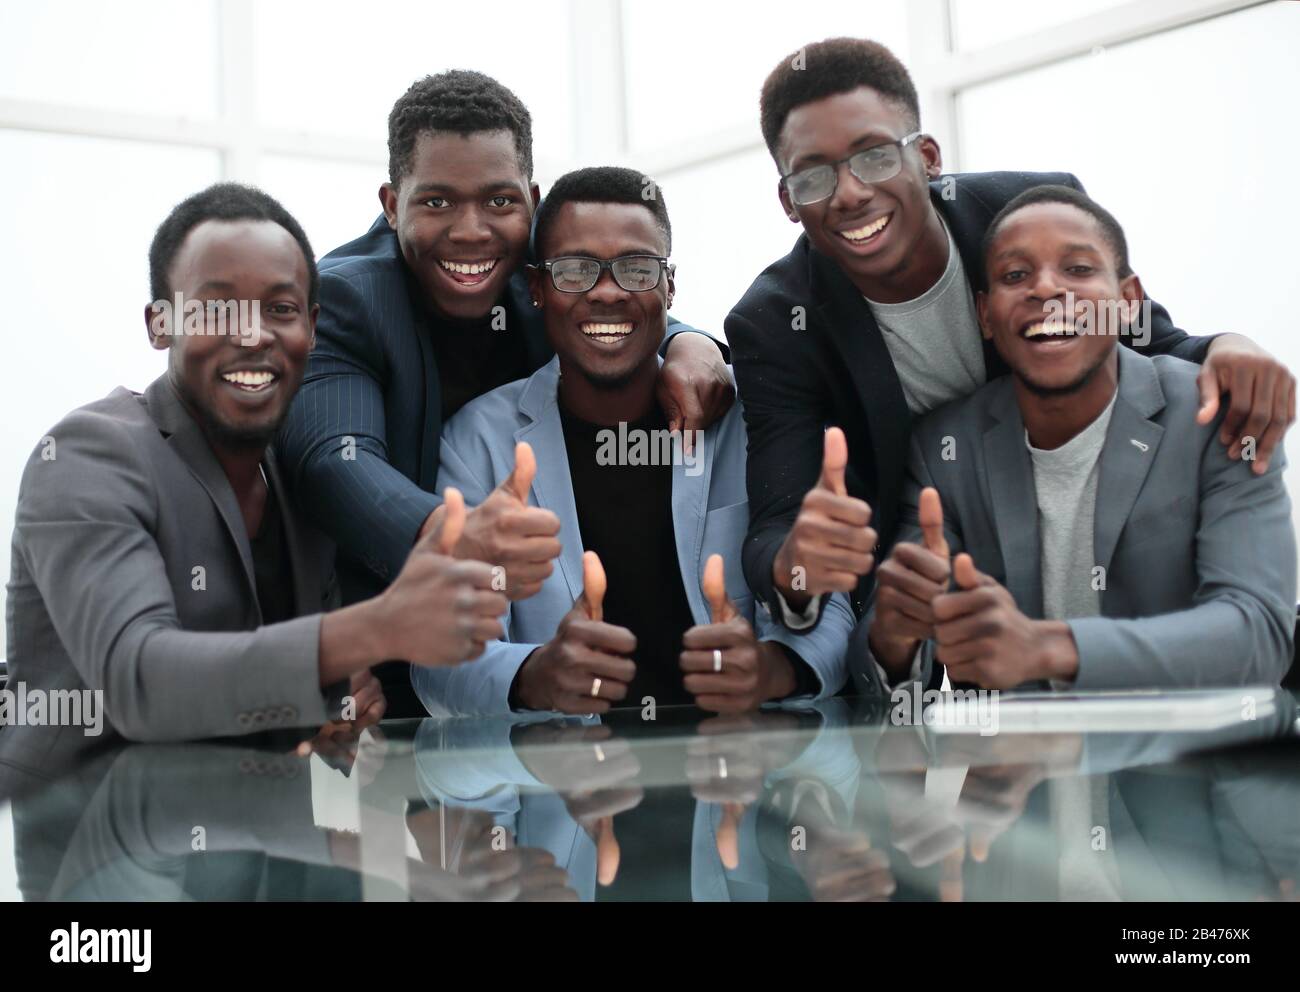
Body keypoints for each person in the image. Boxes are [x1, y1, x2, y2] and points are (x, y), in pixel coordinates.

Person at [726, 37, 1296, 629]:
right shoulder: (775, 322)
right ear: (789, 201)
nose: (849, 193)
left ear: (926, 157)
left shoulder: (1028, 216)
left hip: (1097, 535)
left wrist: (1226, 348)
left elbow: (1146, 338)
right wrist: (797, 567)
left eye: (875, 156)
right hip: (937, 595)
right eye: (813, 177)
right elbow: (776, 524)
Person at [3, 183, 507, 771]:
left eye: (281, 309)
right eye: (217, 308)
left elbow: (297, 688)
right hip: (84, 844)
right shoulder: (86, 455)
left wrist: (336, 707)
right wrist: (378, 627)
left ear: (312, 329)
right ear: (159, 324)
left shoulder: (293, 477)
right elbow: (139, 681)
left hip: (254, 840)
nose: (252, 333)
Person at [277, 72, 734, 715]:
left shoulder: (535, 270)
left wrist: (692, 342)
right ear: (390, 203)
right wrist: (449, 534)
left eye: (498, 201)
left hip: (517, 676)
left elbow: (621, 302)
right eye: (436, 202)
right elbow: (334, 459)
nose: (472, 231)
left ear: (531, 200)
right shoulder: (348, 297)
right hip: (370, 665)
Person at [413, 167, 852, 717]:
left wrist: (773, 669)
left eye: (637, 269)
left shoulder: (751, 414)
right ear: (535, 289)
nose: (607, 292)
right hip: (566, 782)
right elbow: (437, 661)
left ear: (669, 286)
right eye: (574, 270)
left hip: (735, 775)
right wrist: (533, 675)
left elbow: (830, 610)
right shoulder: (477, 440)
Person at [857, 185, 1295, 693]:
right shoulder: (943, 450)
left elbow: (1259, 635)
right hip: (1024, 770)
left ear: (1129, 303)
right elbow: (884, 667)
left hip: (1199, 766)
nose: (1045, 289)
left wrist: (1047, 648)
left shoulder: (1216, 414)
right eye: (1015, 275)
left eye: (1079, 269)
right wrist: (894, 634)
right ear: (985, 316)